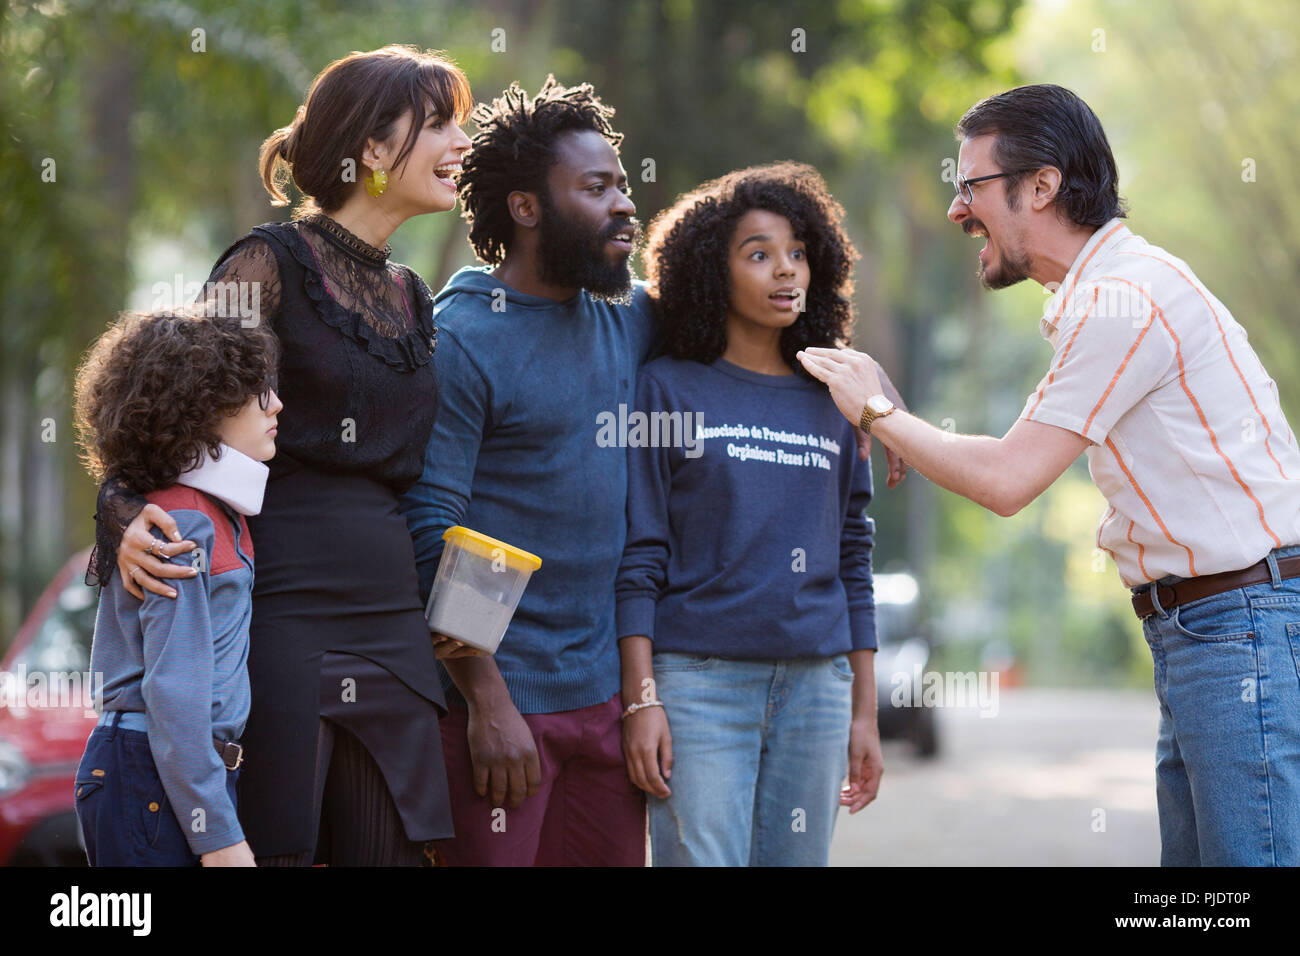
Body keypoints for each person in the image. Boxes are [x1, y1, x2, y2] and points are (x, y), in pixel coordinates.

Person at [798, 83, 1300, 867]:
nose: (959, 211)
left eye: (970, 187)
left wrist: (872, 412)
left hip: (1239, 626)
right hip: (1212, 629)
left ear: (1041, 186)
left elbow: (1007, 478)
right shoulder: (1109, 295)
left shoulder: (1121, 303)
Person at [92, 45, 474, 865]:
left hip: (391, 614)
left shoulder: (413, 296)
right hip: (284, 608)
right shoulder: (263, 262)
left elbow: (415, 480)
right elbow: (167, 405)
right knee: (281, 845)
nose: (461, 144)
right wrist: (120, 511)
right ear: (372, 149)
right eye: (440, 123)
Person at [615, 163, 884, 866]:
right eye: (758, 254)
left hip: (816, 689)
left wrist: (864, 710)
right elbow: (640, 554)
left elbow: (854, 554)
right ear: (713, 271)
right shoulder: (666, 389)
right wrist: (643, 699)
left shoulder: (835, 400)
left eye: (797, 252)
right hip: (698, 684)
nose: (784, 270)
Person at [72, 308, 279, 866]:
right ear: (203, 409)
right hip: (152, 774)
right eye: (257, 393)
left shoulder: (213, 513)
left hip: (168, 772)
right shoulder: (182, 521)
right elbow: (174, 693)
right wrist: (219, 839)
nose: (276, 405)